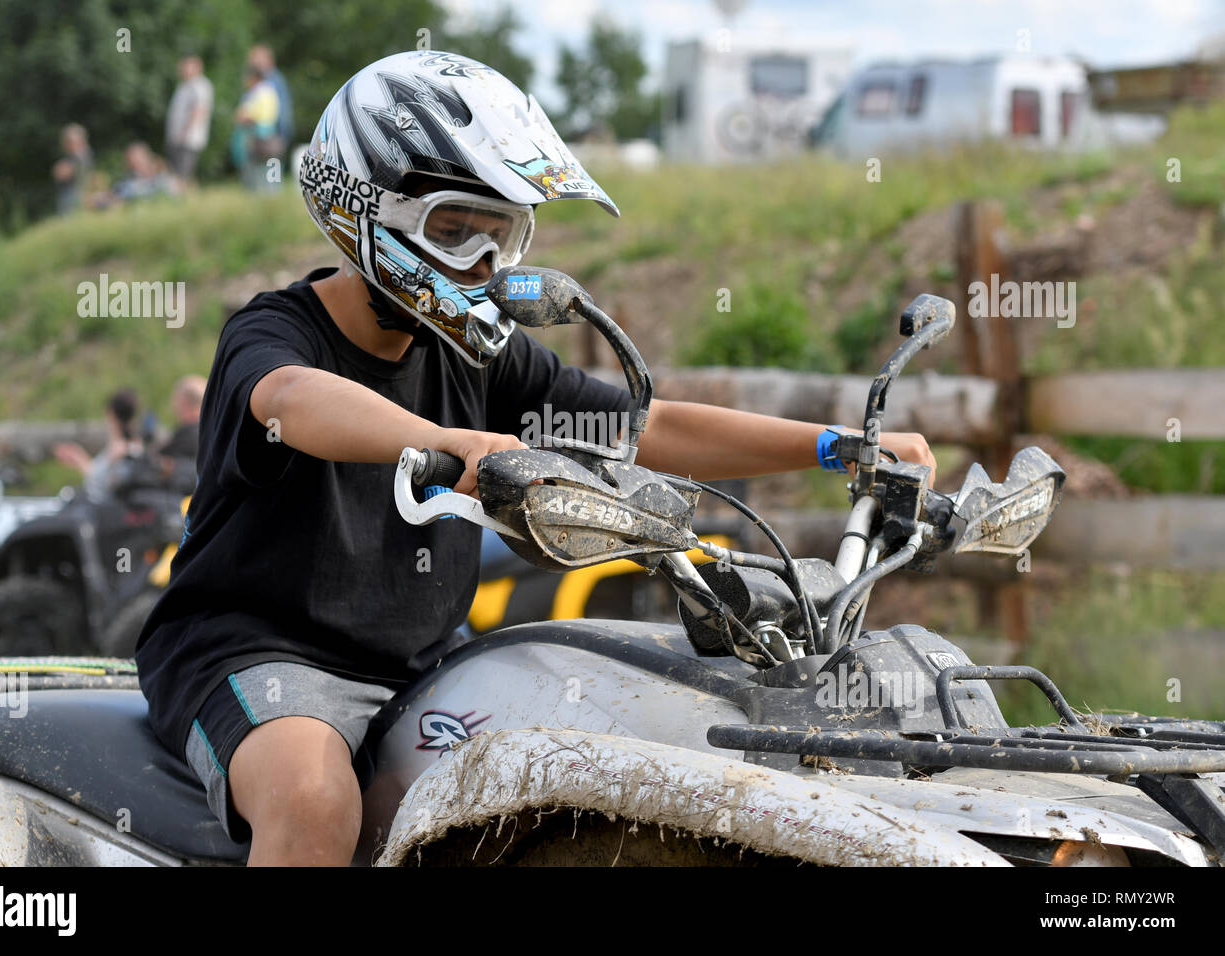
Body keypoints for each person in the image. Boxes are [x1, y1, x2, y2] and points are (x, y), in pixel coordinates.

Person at [134, 51, 937, 866]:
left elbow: (640, 426)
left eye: (502, 233)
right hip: (253, 652)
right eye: (454, 230)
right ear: (364, 210)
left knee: (566, 761)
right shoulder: (274, 334)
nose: (485, 264)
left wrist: (836, 446)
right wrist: (445, 441)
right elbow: (292, 402)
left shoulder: (480, 355)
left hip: (419, 659)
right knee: (315, 800)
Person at [54, 389, 146, 503]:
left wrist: (79, 459)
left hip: (103, 511)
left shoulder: (122, 450)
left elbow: (99, 485)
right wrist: (78, 457)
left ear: (111, 414)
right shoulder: (132, 445)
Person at [164, 55, 214, 188]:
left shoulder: (200, 86)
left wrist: (185, 131)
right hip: (178, 136)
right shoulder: (185, 85)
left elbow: (199, 110)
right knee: (177, 171)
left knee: (183, 172)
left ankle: (185, 196)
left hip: (188, 138)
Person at [230, 64, 282, 191]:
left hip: (259, 136)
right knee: (268, 166)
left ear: (253, 77)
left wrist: (242, 117)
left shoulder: (261, 92)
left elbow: (254, 115)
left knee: (257, 168)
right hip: (266, 134)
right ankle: (269, 192)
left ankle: (260, 192)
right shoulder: (268, 90)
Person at [247, 44, 293, 148]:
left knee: (270, 163)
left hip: (270, 138)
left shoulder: (275, 81)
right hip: (258, 139)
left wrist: (283, 137)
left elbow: (283, 113)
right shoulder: (257, 81)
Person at [113, 142, 179, 203]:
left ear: (146, 158)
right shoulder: (127, 183)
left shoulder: (163, 176)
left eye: (138, 159)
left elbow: (176, 191)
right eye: (132, 160)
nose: (136, 163)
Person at [51, 124, 93, 215]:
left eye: (71, 142)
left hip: (78, 194)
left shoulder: (82, 155)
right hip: (70, 195)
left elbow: (63, 173)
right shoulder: (72, 157)